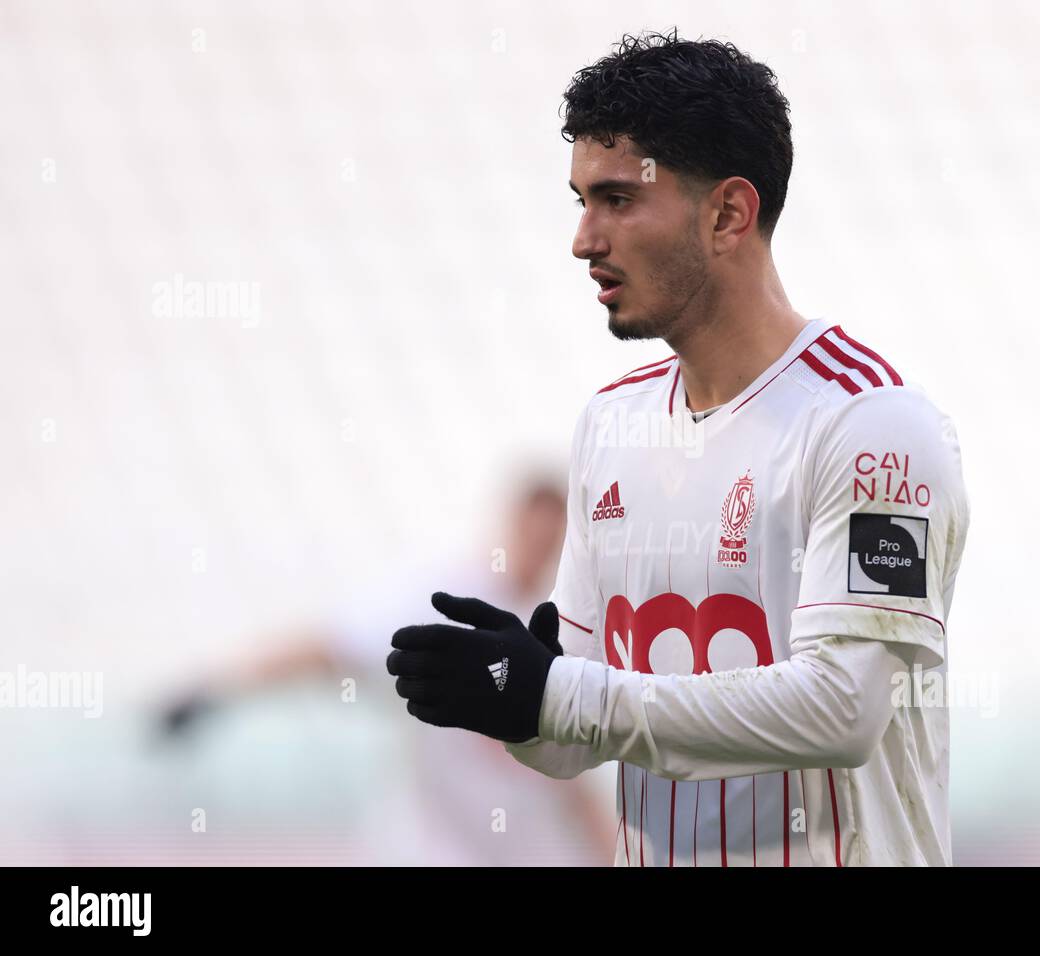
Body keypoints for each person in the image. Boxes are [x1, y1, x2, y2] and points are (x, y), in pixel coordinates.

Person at [388, 30, 972, 866]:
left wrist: (557, 694)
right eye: (581, 201)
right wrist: (515, 704)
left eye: (619, 200)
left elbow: (843, 710)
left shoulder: (870, 425)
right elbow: (574, 738)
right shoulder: (610, 427)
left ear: (728, 213)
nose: (585, 239)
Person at [164, 470, 615, 865]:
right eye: (533, 532)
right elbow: (330, 647)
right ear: (511, 523)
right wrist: (216, 687)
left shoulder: (557, 629)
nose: (538, 548)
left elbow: (569, 781)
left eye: (551, 539)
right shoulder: (447, 601)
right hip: (438, 848)